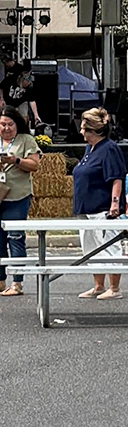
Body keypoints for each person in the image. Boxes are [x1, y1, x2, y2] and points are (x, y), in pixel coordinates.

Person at [72, 107, 127, 300]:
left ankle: (115, 287)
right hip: (85, 207)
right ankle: (98, 285)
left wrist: (114, 204)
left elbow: (116, 178)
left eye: (84, 128)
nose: (81, 131)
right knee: (90, 247)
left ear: (93, 131)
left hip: (102, 207)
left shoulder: (109, 148)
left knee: (109, 245)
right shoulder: (90, 148)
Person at [0, 107, 41, 296]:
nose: (6, 128)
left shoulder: (26, 140)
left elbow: (35, 165)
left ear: (17, 124)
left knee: (15, 237)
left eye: (10, 124)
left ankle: (17, 282)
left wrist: (16, 160)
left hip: (18, 195)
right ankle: (1, 281)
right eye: (2, 124)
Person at [0, 60, 41, 126]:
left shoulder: (29, 87)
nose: (28, 84)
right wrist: (1, 98)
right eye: (27, 82)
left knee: (23, 114)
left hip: (21, 102)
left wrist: (36, 115)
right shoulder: (11, 79)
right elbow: (1, 87)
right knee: (6, 114)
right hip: (8, 101)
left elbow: (32, 101)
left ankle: (22, 129)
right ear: (22, 79)